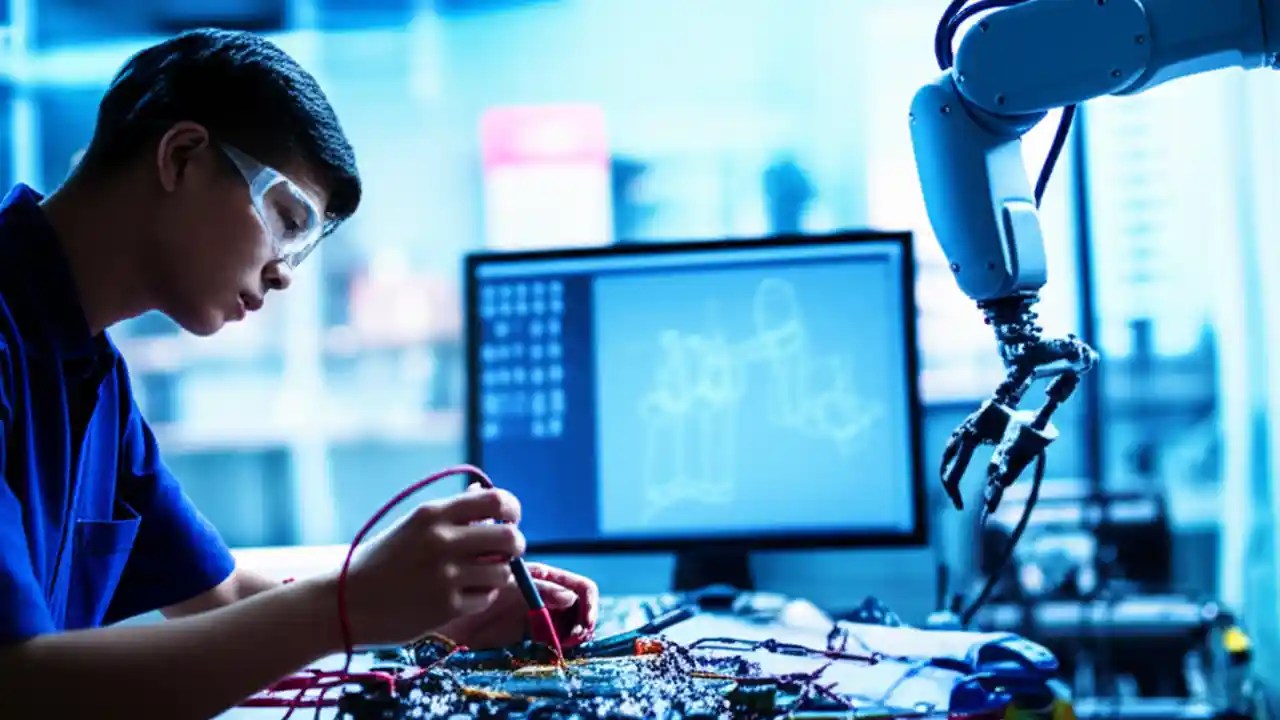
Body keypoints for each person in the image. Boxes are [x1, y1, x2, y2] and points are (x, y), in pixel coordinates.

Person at [0, 28, 598, 718]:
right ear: (182, 156)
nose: (284, 273)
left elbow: (221, 596)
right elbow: (17, 682)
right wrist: (350, 604)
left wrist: (434, 617)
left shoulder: (92, 376)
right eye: (287, 219)